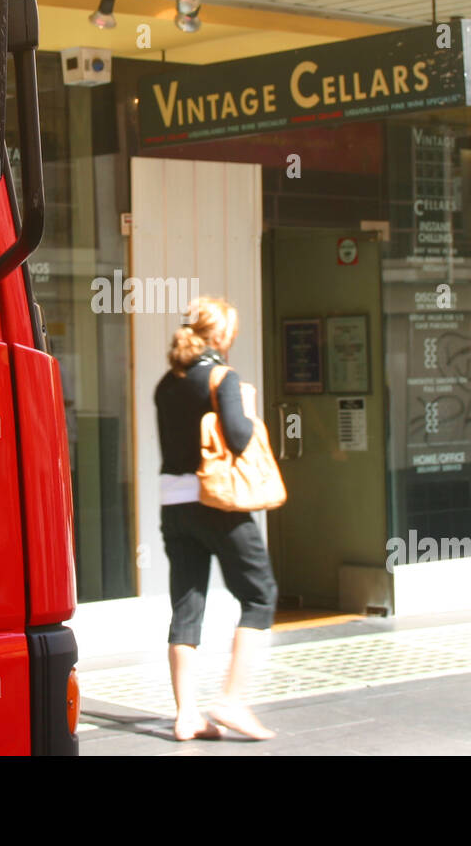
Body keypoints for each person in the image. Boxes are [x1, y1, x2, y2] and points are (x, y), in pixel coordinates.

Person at [154, 296, 279, 741]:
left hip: (174, 506)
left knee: (187, 605)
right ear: (221, 335)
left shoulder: (167, 383)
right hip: (217, 503)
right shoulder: (223, 378)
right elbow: (240, 440)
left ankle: (187, 714)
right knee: (260, 594)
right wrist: (244, 405)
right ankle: (231, 700)